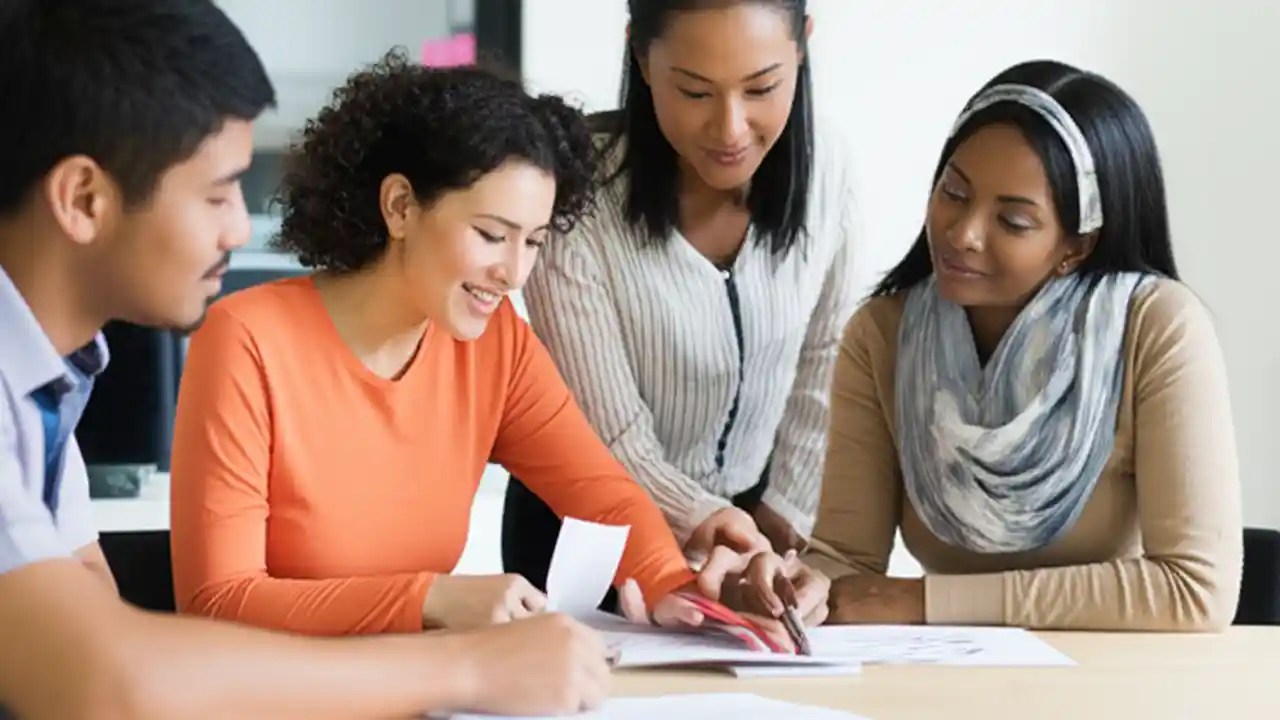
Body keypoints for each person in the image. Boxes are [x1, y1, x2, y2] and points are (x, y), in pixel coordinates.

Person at [0, 2, 619, 718]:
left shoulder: (50, 386)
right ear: (83, 198)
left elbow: (97, 631)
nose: (240, 229)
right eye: (216, 195)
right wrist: (469, 663)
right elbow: (107, 678)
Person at [168, 50, 820, 646]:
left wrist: (681, 588)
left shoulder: (494, 343)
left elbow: (603, 494)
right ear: (400, 207)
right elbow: (217, 602)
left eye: (533, 241)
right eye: (490, 235)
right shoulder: (247, 339)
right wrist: (432, 598)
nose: (514, 272)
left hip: (426, 692)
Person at [804, 59, 1244, 631]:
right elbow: (844, 562)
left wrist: (925, 601)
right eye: (954, 192)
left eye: (1012, 221)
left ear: (1078, 246)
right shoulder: (882, 334)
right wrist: (796, 585)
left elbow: (1194, 589)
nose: (963, 233)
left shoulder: (1155, 326)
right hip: (948, 671)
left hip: (1119, 673)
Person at [501, 0, 856, 604]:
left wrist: (785, 511)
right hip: (592, 532)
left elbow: (828, 354)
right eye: (694, 92)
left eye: (761, 88)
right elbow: (611, 433)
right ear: (642, 57)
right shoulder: (573, 194)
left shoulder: (827, 169)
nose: (730, 129)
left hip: (757, 523)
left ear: (802, 47)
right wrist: (705, 520)